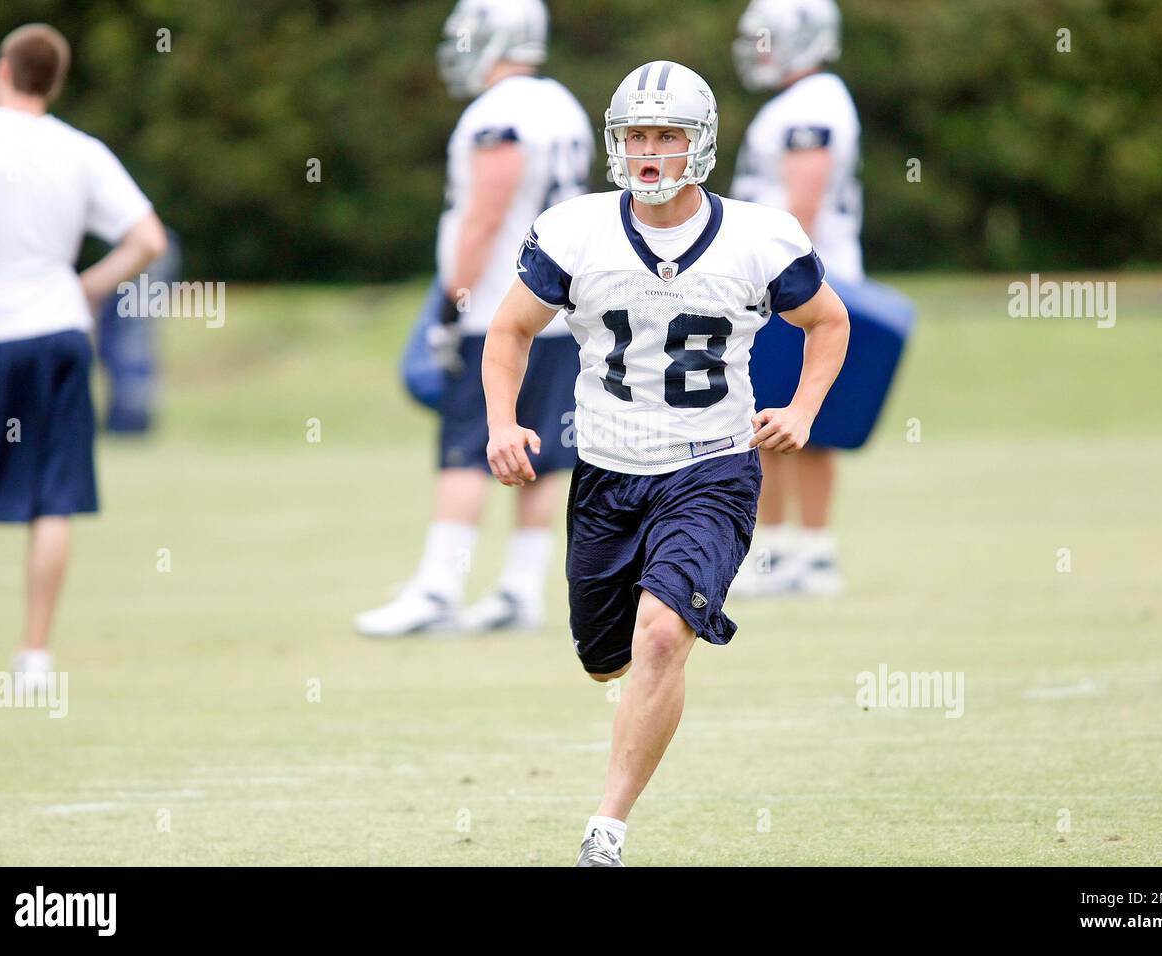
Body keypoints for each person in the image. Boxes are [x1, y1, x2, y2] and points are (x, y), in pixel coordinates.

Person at [483, 61, 850, 864]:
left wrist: (802, 411)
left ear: (700, 144)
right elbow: (508, 331)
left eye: (666, 135)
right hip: (607, 474)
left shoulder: (760, 237)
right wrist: (502, 424)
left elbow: (829, 321)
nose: (650, 152)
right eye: (637, 136)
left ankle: (605, 830)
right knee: (606, 657)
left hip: (711, 469)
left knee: (661, 637)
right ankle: (636, 707)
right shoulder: (575, 230)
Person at [355, 0, 593, 636]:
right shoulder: (562, 103)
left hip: (497, 311)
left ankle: (438, 587)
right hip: (558, 312)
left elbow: (487, 214)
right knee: (542, 450)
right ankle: (520, 589)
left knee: (467, 449)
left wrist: (449, 300)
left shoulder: (498, 113)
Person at [0, 24, 168, 686]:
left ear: (3, 70)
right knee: (52, 501)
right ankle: (35, 656)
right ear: (52, 81)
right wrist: (85, 287)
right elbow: (147, 239)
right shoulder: (80, 150)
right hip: (58, 331)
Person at [730, 0, 862, 596]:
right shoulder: (802, 101)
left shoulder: (811, 104)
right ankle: (788, 549)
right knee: (775, 416)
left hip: (797, 281)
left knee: (793, 416)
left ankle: (805, 550)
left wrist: (764, 274)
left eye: (767, 38)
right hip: (790, 279)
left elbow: (801, 203)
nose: (759, 48)